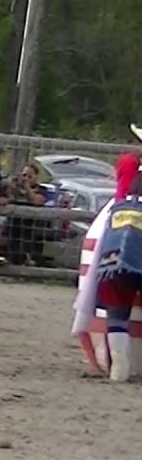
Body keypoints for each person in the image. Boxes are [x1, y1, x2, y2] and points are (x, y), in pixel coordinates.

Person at [71, 131, 142, 382]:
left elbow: (120, 195)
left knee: (117, 303)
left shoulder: (128, 164)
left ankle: (118, 364)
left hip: (120, 228)